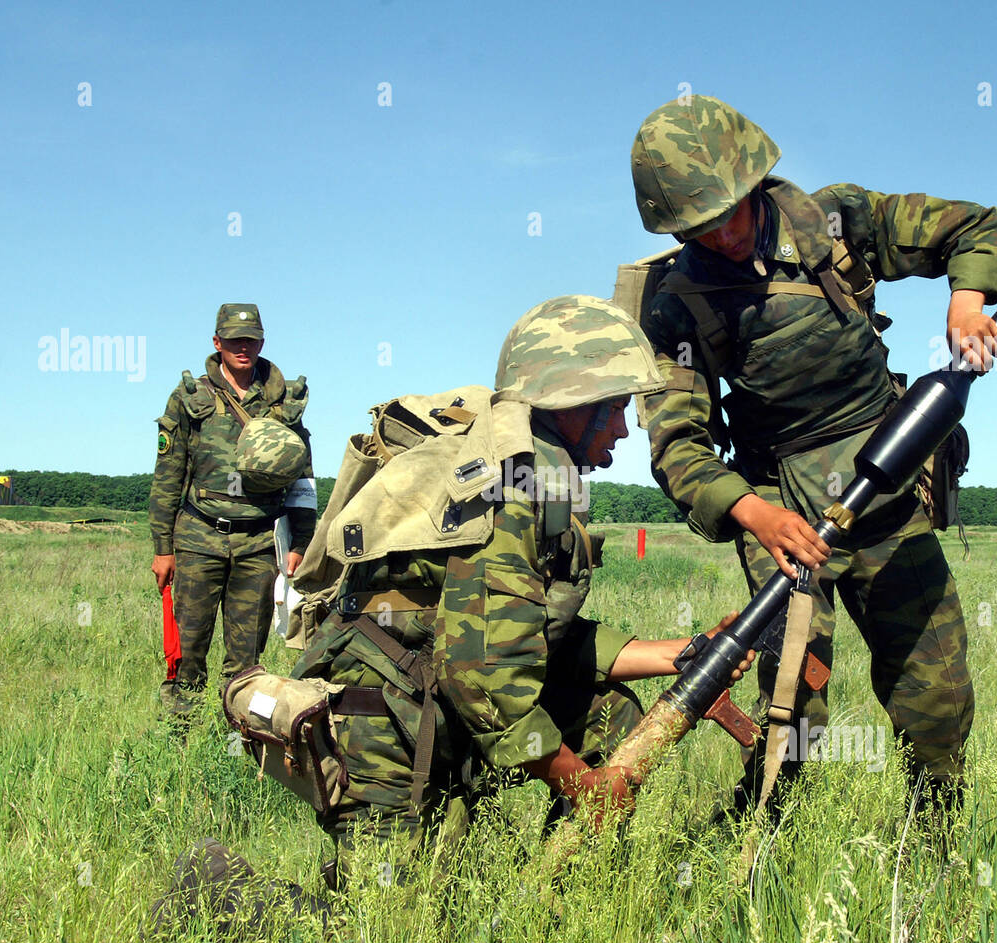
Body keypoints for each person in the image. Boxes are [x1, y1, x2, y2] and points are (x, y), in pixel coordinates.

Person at [629, 95, 997, 814]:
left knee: (934, 698)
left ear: (752, 183)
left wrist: (966, 302)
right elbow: (678, 446)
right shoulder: (674, 302)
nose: (716, 238)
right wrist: (753, 514)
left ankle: (935, 853)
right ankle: (764, 841)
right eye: (695, 228)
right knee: (793, 708)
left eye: (726, 216)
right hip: (780, 512)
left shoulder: (836, 223)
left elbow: (975, 227)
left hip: (889, 487)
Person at [288, 295, 754, 865]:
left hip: (437, 691)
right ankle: (220, 897)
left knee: (608, 712)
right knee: (390, 931)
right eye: (612, 409)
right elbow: (487, 683)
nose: (623, 430)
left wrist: (687, 652)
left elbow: (536, 633)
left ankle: (561, 907)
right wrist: (585, 788)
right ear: (568, 405)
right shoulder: (513, 489)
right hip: (385, 722)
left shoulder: (542, 476)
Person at [149, 303, 317, 720]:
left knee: (246, 662)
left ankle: (237, 742)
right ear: (217, 342)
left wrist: (301, 540)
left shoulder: (284, 401)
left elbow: (302, 475)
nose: (243, 347)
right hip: (197, 538)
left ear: (262, 341)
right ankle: (180, 740)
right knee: (188, 652)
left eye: (252, 339)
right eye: (234, 339)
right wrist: (163, 548)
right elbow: (169, 475)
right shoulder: (191, 398)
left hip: (258, 543)